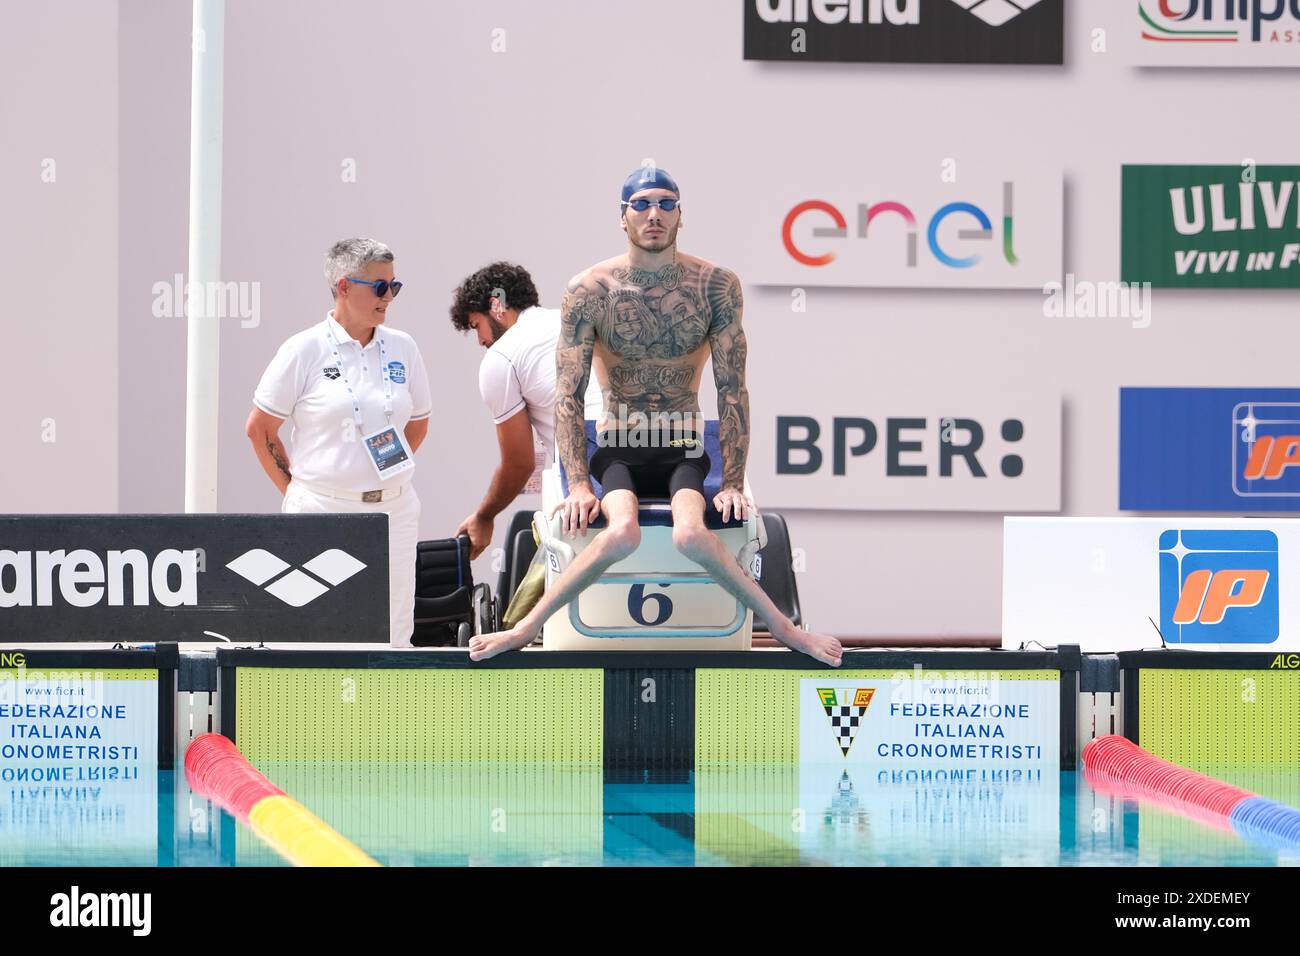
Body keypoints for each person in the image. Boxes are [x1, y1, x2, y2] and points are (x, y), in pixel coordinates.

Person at [468, 168, 842, 666]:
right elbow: (568, 395)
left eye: (667, 204)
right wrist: (577, 483)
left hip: (681, 445)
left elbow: (732, 390)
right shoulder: (589, 289)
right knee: (621, 531)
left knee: (692, 534)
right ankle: (525, 628)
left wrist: (731, 481)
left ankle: (786, 630)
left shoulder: (716, 286)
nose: (655, 214)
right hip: (617, 445)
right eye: (642, 204)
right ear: (622, 217)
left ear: (681, 216)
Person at [245, 238, 431, 647]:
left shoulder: (403, 346)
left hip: (394, 511)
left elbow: (417, 423)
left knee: (394, 631)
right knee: (316, 631)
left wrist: (375, 476)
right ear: (344, 287)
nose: (389, 297)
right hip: (321, 509)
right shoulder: (303, 349)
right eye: (379, 287)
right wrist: (298, 491)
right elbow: (260, 430)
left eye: (394, 287)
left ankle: (387, 712)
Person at [448, 262, 602, 561]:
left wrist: (484, 516)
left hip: (587, 482)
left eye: (475, 325)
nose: (480, 340)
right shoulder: (580, 321)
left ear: (496, 306)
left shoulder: (501, 357)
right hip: (651, 456)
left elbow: (519, 463)